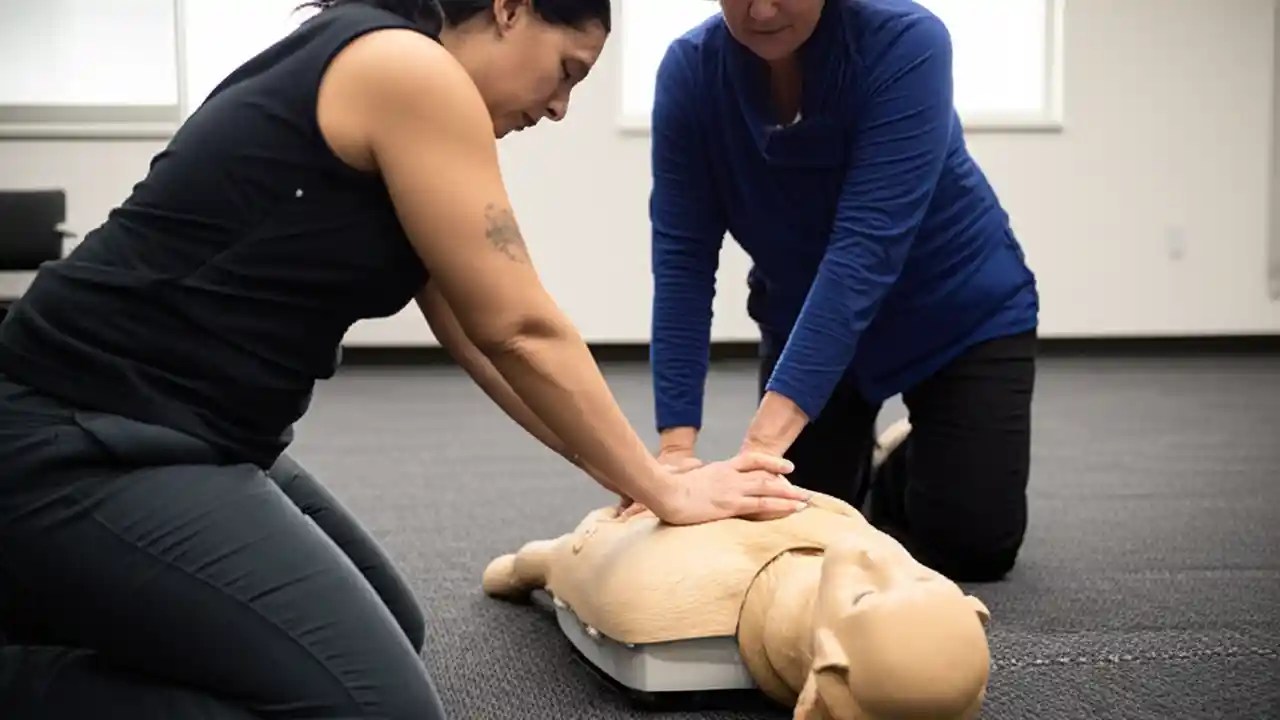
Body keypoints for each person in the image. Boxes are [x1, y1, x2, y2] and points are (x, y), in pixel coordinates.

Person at [0, 0, 811, 717]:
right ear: (508, 8)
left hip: (198, 437)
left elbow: (485, 345)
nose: (562, 108)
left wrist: (630, 483)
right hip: (82, 437)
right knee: (373, 708)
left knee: (395, 628)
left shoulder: (394, 72)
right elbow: (520, 328)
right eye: (566, 71)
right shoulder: (406, 68)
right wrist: (663, 484)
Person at [647, 0, 1040, 584]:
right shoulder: (689, 72)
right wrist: (675, 454)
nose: (760, 8)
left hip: (955, 310)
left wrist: (758, 452)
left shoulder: (909, 42)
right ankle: (863, 462)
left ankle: (905, 459)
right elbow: (683, 260)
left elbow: (865, 251)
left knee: (971, 547)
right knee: (798, 541)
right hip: (809, 324)